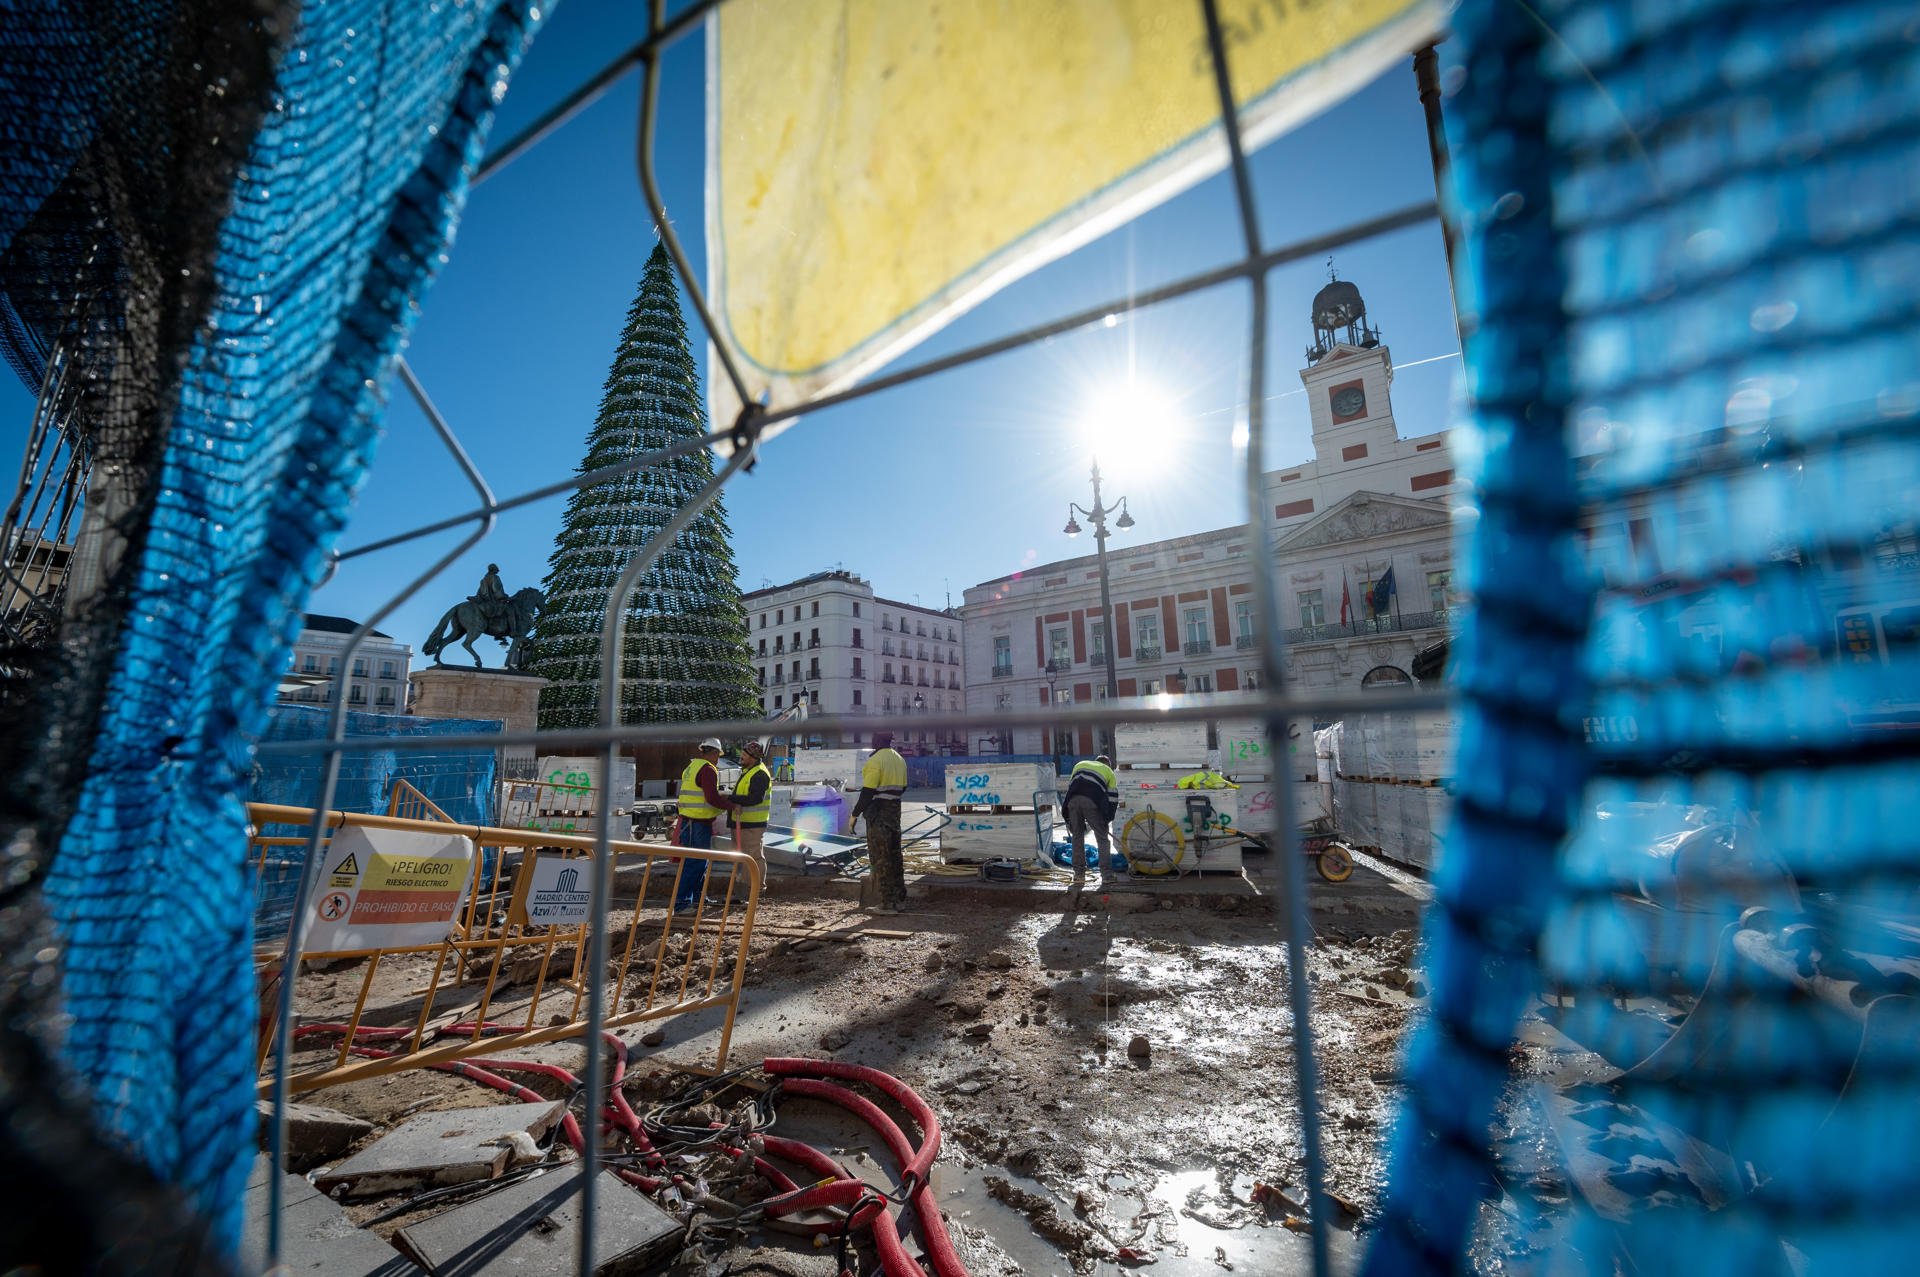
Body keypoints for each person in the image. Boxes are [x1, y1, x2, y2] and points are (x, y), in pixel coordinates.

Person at [674, 738, 738, 913]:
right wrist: (731, 806)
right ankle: (682, 904)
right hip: (697, 824)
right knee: (694, 863)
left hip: (689, 822)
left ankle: (698, 898)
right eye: (718, 755)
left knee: (699, 863)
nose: (718, 759)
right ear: (714, 753)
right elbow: (711, 798)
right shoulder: (708, 769)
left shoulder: (691, 767)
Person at [847, 731, 909, 911]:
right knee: (895, 855)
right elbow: (903, 787)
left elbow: (867, 792)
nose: (872, 740)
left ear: (879, 740)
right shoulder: (899, 759)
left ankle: (887, 903)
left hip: (879, 813)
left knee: (880, 857)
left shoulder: (875, 761)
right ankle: (899, 899)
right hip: (894, 811)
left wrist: (854, 815)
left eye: (874, 737)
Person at [1062, 754, 1119, 885]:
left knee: (1077, 837)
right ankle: (1107, 875)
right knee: (1102, 838)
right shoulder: (1109, 771)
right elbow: (1113, 798)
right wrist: (1107, 818)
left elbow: (1072, 788)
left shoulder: (1079, 765)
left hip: (1072, 802)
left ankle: (1079, 875)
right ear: (1107, 765)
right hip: (1091, 802)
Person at [730, 739, 773, 876]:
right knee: (742, 859)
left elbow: (755, 798)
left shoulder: (759, 774)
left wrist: (729, 798)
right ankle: (743, 891)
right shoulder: (749, 771)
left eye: (745, 754)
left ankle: (755, 890)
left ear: (754, 757)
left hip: (752, 826)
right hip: (742, 823)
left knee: (753, 858)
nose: (741, 756)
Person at [473, 562, 508, 631]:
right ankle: (511, 629)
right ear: (494, 570)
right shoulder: (495, 577)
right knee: (508, 609)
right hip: (493, 598)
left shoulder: (484, 578)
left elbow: (480, 590)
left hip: (485, 598)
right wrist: (503, 596)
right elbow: (496, 589)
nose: (498, 570)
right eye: (496, 569)